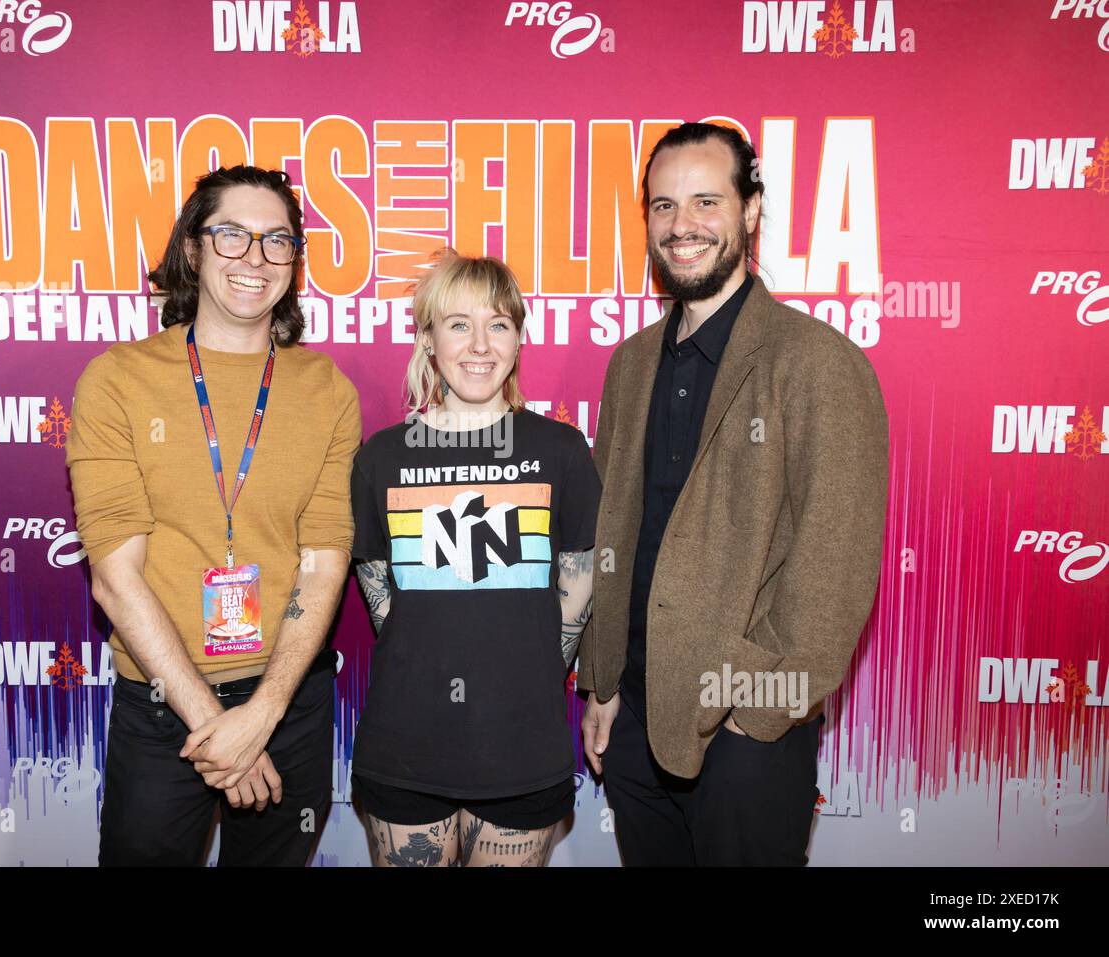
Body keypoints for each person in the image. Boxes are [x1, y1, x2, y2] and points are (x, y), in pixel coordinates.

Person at [578, 123, 889, 866]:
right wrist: (601, 684)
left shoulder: (818, 363)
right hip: (635, 726)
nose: (682, 226)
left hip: (745, 735)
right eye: (663, 206)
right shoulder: (629, 366)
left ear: (752, 211)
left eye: (706, 201)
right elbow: (614, 531)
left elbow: (835, 563)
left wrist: (760, 715)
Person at [66, 164, 361, 866]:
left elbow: (325, 565)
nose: (255, 259)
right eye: (232, 235)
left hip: (289, 704)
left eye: (277, 241)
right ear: (193, 250)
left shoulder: (328, 391)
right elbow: (115, 577)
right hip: (164, 706)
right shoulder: (116, 380)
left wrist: (260, 716)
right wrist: (216, 725)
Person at [350, 250, 600, 867]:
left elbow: (581, 579)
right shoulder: (382, 457)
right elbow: (380, 591)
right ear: (429, 339)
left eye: (499, 324)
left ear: (518, 338)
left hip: (522, 743)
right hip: (406, 742)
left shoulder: (561, 450)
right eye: (459, 324)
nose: (480, 344)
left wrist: (531, 666)